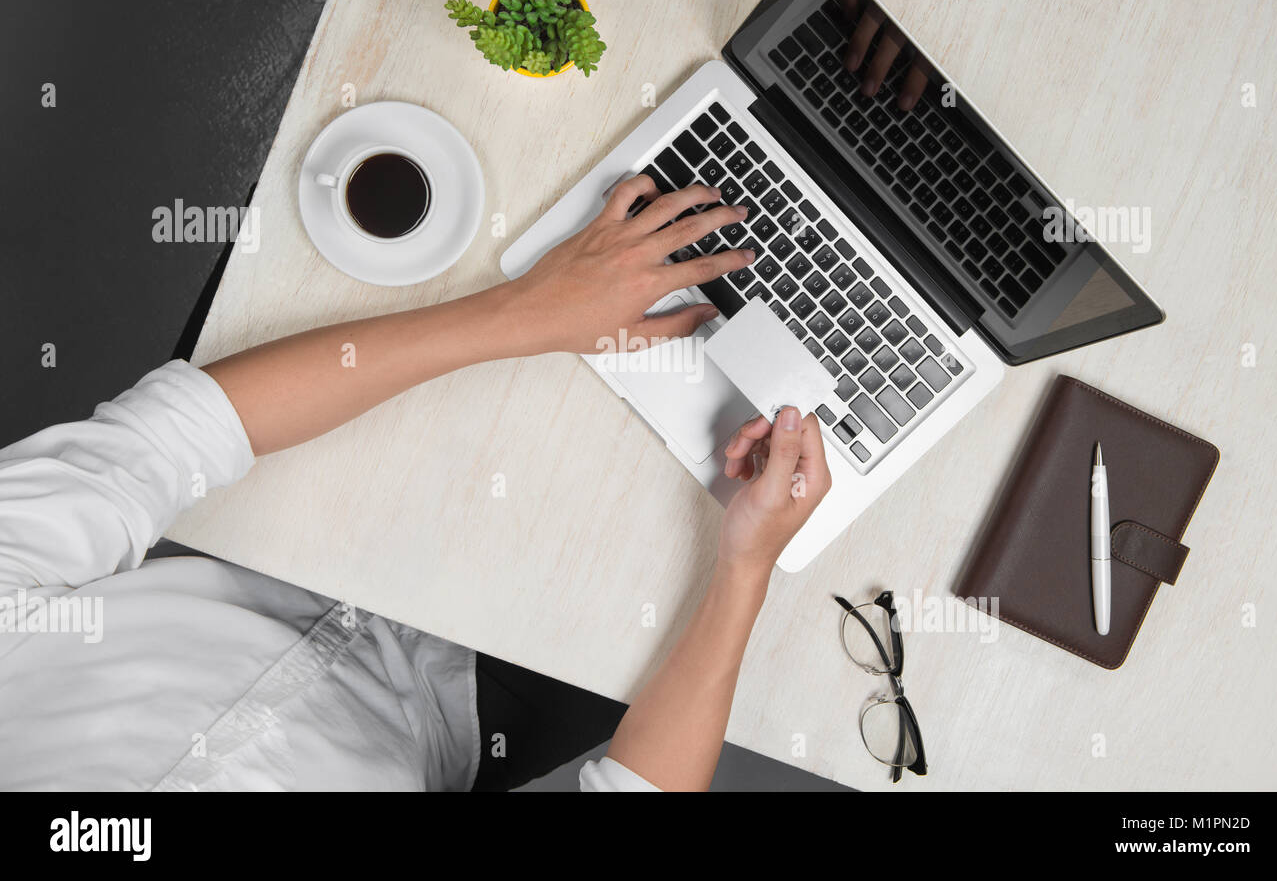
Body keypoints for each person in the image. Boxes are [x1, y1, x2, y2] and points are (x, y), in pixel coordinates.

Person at [0, 176, 831, 792]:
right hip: (483, 696)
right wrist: (744, 565)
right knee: (716, 450)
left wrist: (528, 310)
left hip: (284, 509)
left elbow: (168, 434)